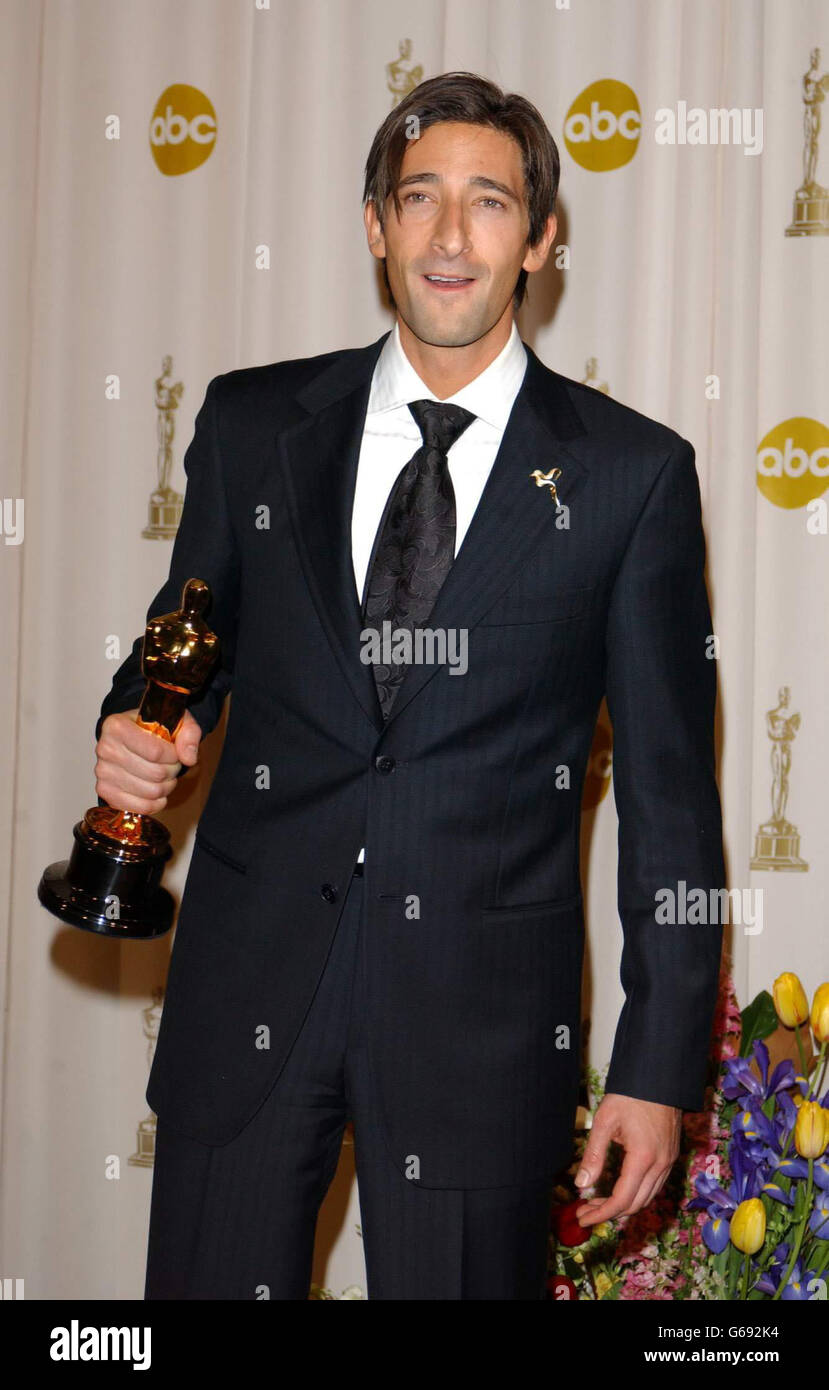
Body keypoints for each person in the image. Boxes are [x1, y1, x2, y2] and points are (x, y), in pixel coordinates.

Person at [94, 71, 726, 1301]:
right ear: (375, 225)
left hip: (479, 1028)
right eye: (419, 198)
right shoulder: (250, 424)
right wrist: (137, 730)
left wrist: (656, 1069)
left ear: (540, 242)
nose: (450, 236)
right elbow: (181, 650)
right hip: (249, 993)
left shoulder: (631, 478)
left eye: (489, 203)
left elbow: (669, 805)